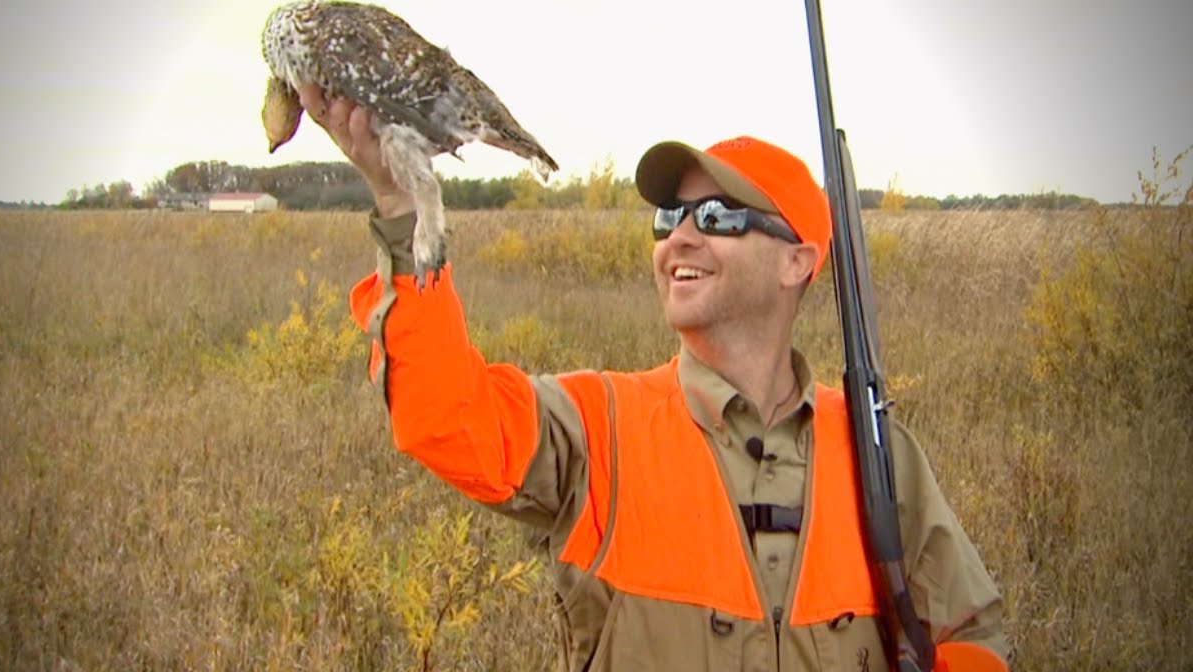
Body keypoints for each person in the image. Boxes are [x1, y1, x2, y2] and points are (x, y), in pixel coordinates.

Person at [302, 87, 1008, 672]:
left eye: (718, 217)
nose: (680, 237)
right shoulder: (595, 427)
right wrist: (404, 212)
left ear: (798, 261)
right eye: (669, 217)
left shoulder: (878, 454)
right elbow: (444, 416)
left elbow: (971, 637)